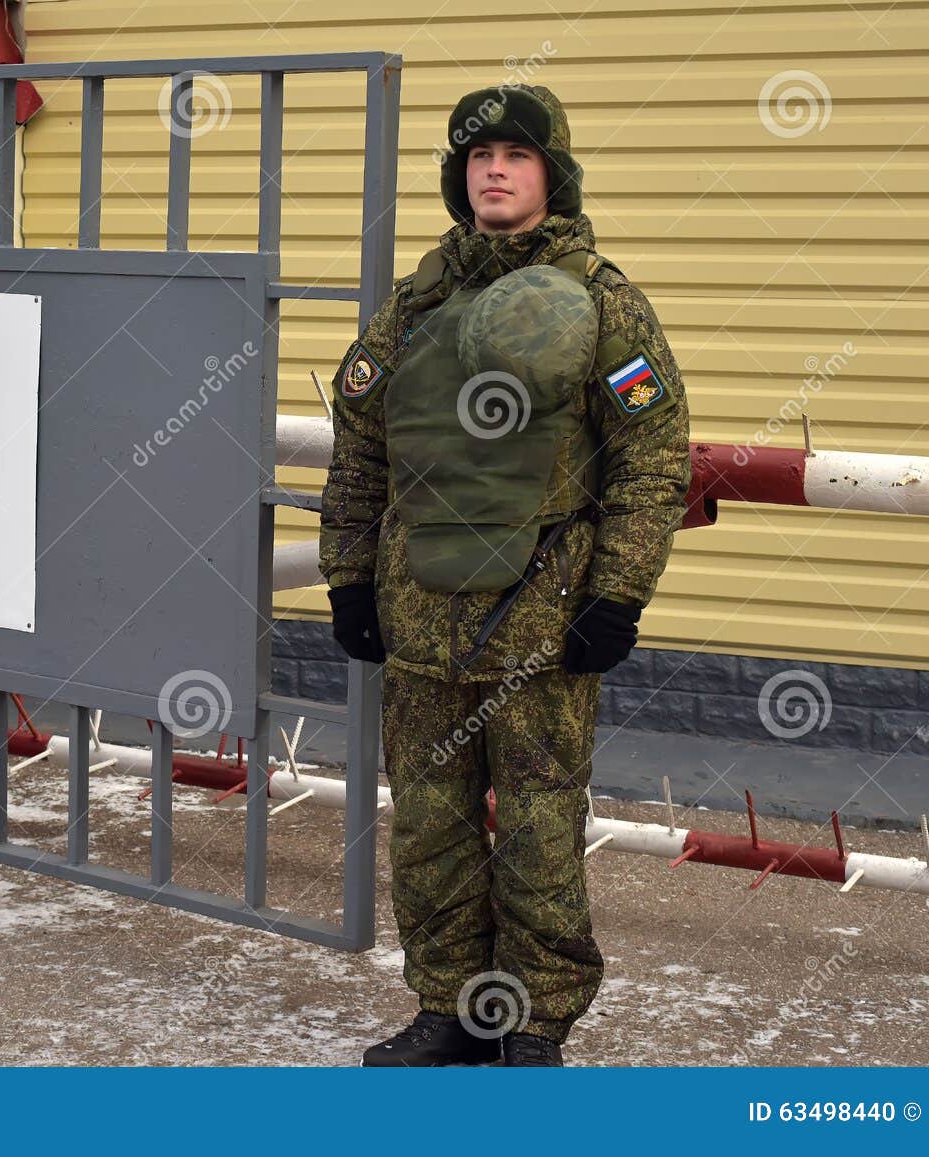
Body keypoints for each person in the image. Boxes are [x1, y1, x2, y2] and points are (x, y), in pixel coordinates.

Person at [318, 84, 692, 1066]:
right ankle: (449, 1007)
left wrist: (617, 593)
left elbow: (651, 457)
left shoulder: (601, 299)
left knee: (535, 831)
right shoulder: (420, 297)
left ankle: (533, 1019)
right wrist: (348, 576)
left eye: (517, 155)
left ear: (550, 175)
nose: (494, 169)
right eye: (478, 157)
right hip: (421, 609)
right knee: (429, 828)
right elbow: (359, 442)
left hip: (542, 614)